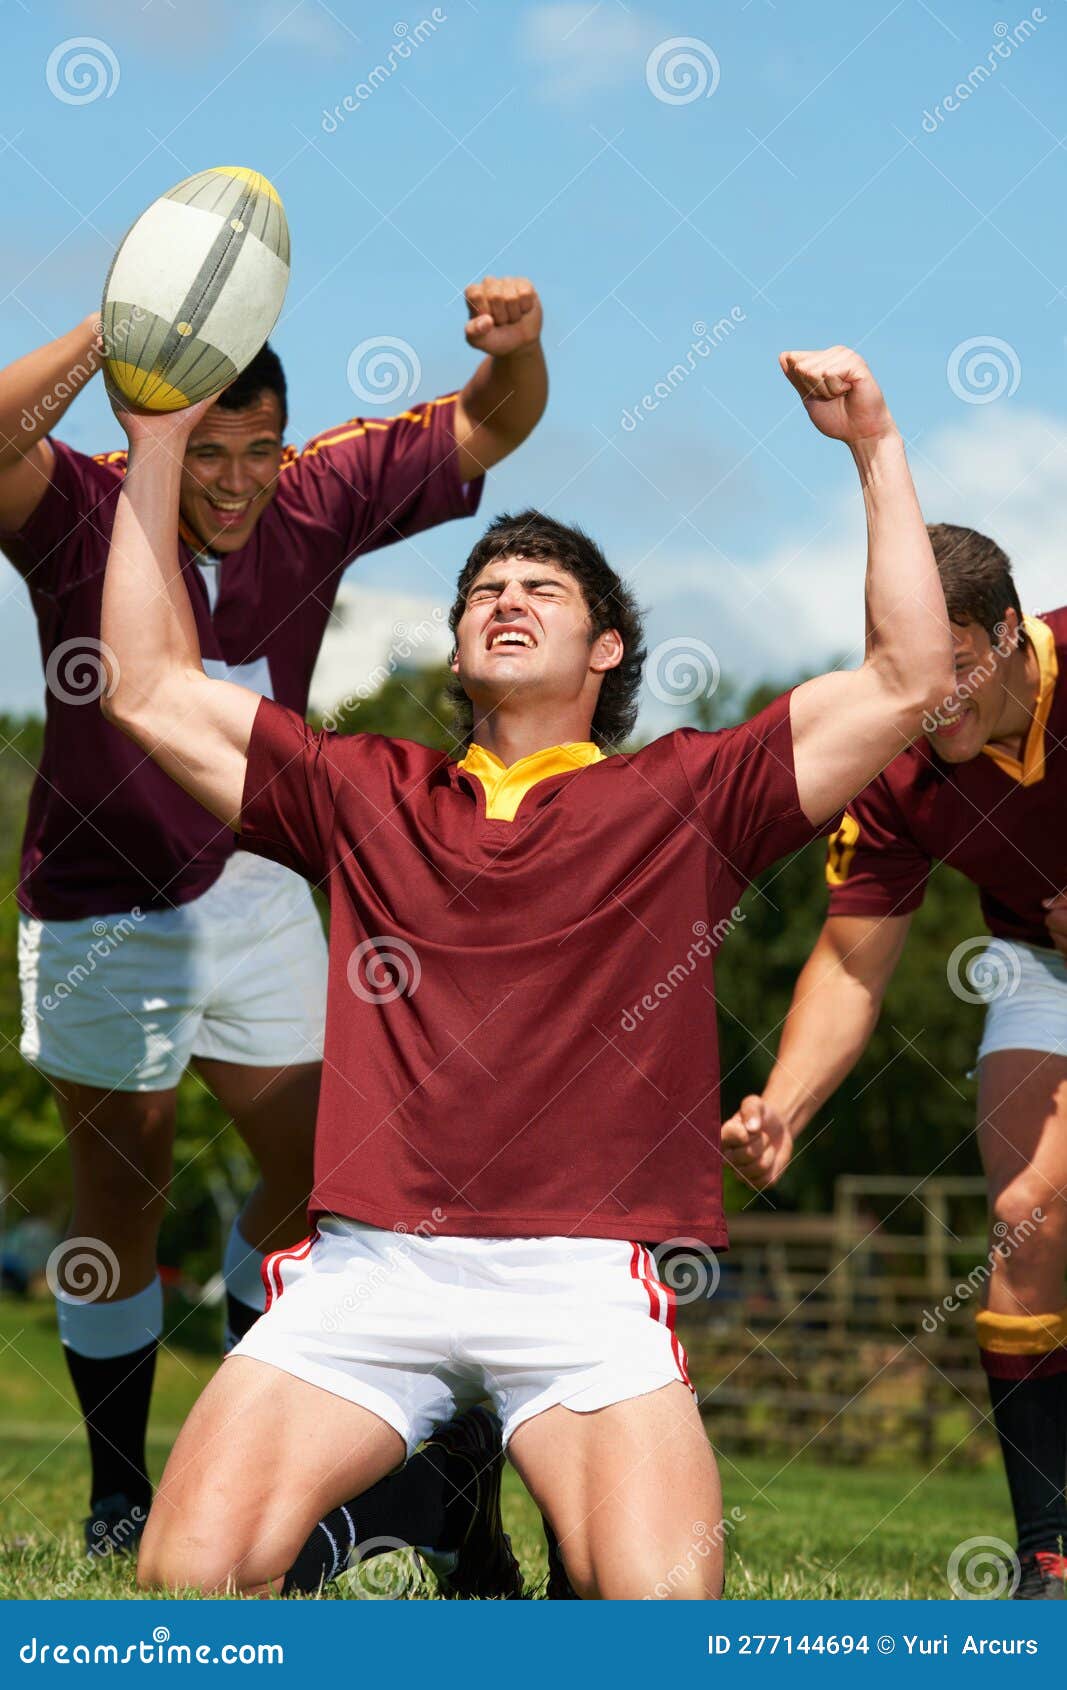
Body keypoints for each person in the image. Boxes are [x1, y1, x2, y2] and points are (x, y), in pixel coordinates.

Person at [98, 344, 951, 1599]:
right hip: (373, 1268)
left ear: (606, 651)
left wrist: (872, 445)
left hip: (577, 1280)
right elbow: (146, 684)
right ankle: (447, 1492)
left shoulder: (688, 795)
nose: (504, 596)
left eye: (541, 588)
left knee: (657, 1616)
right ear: (452, 649)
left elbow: (907, 680)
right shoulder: (363, 788)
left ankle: (471, 1494)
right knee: (190, 1580)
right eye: (482, 587)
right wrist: (158, 441)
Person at [0, 277, 547, 1561]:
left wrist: (520, 350)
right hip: (97, 907)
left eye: (258, 449)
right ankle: (118, 1488)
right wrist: (115, 336)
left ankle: (262, 1463)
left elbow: (494, 422)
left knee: (325, 1180)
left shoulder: (319, 495)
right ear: (163, 433)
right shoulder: (85, 503)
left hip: (253, 889)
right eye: (207, 451)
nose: (236, 483)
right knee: (119, 1203)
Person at [722, 525, 1067, 1601]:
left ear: (1009, 634)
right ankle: (1046, 1557)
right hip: (1036, 959)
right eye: (912, 666)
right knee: (1023, 1217)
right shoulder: (893, 764)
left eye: (955, 660)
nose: (935, 695)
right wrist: (780, 1107)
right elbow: (850, 963)